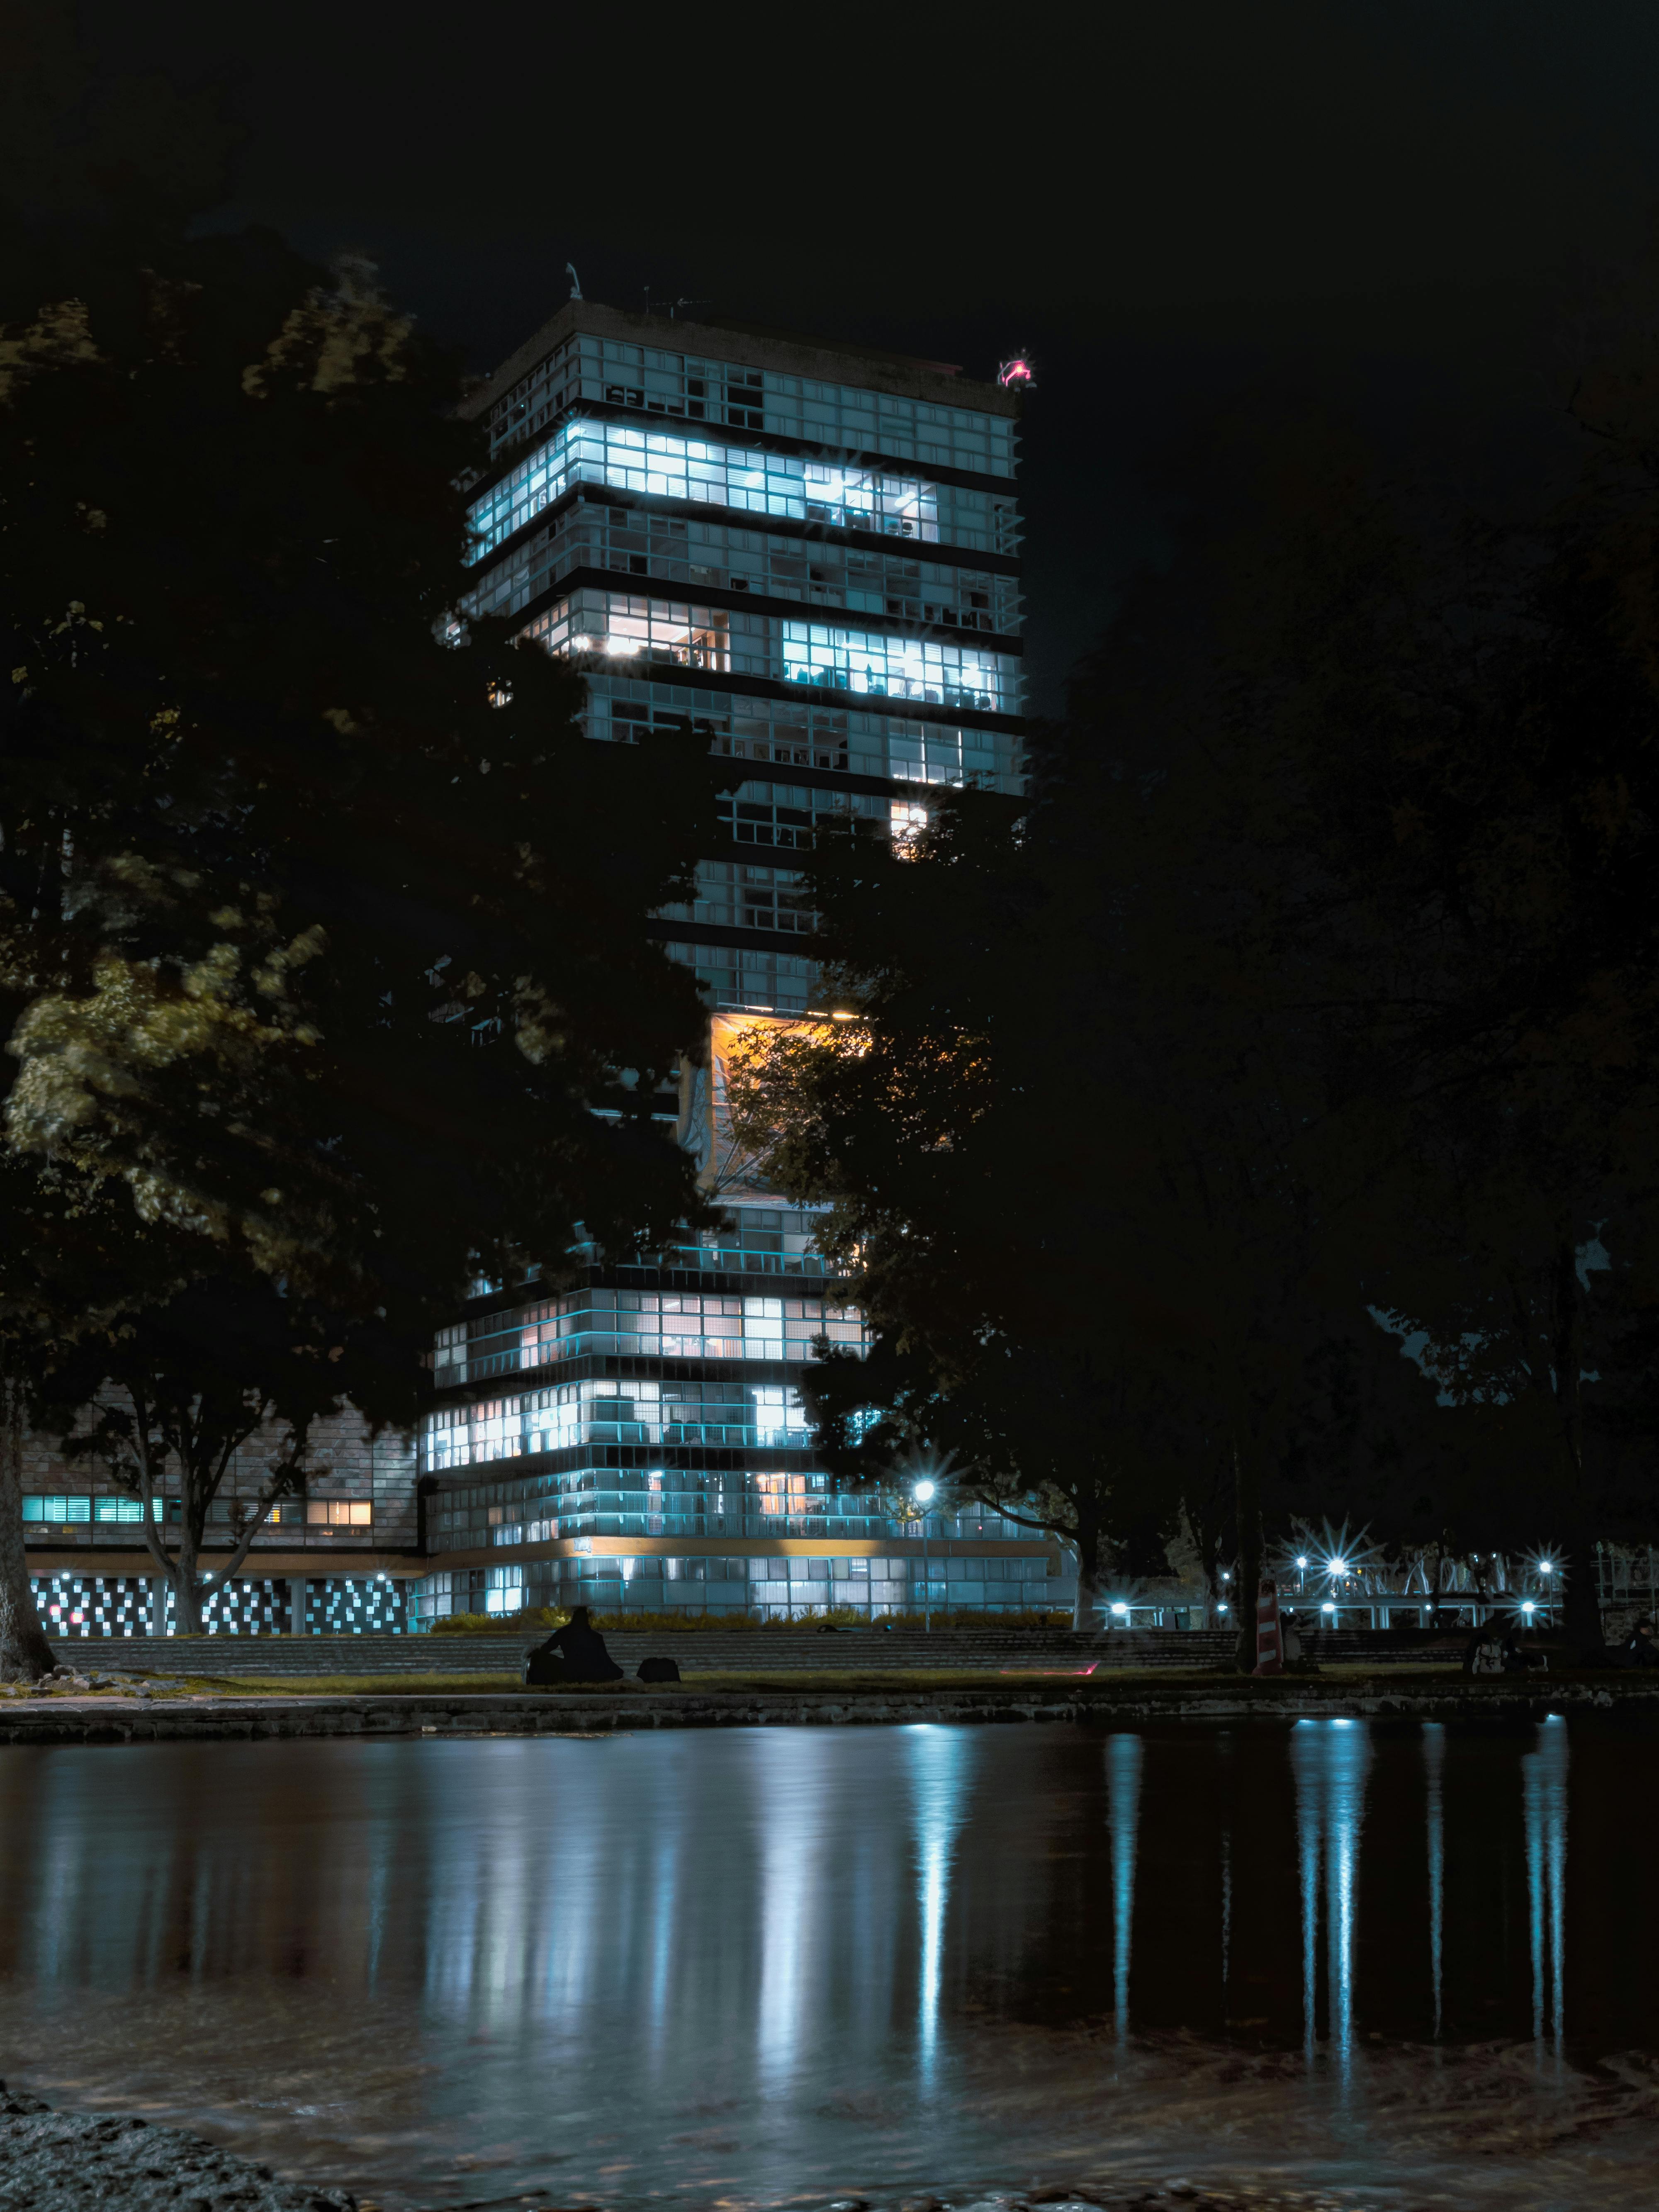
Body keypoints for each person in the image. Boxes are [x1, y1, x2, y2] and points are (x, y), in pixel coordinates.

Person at [528, 1605, 623, 1684]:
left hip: (571, 1672)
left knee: (539, 1659)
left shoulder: (564, 1633)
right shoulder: (596, 1637)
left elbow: (547, 1648)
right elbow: (605, 1658)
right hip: (590, 1673)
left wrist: (536, 1654)